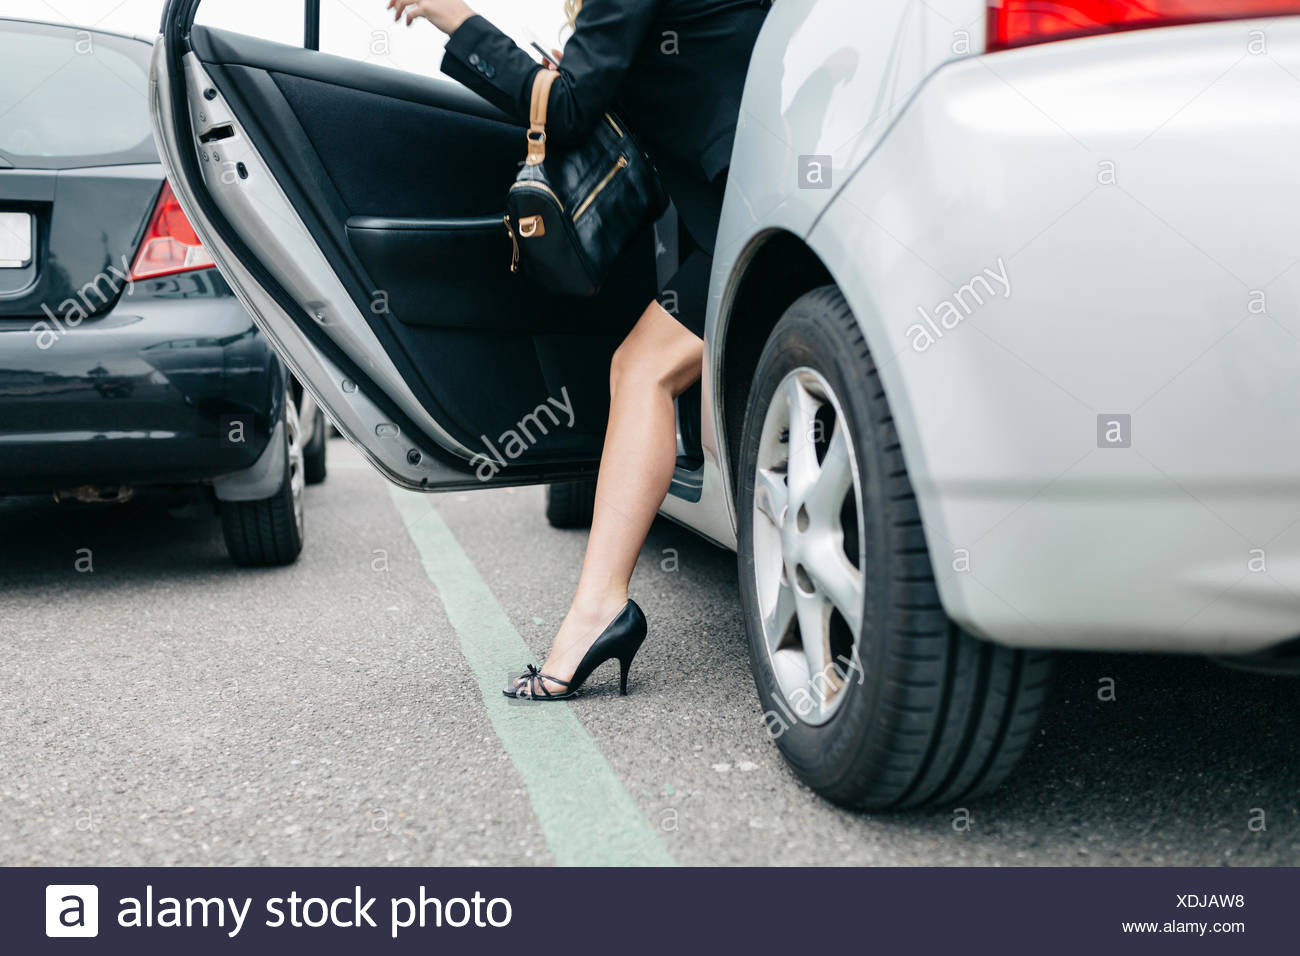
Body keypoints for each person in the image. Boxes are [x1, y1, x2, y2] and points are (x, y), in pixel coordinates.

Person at [388, 0, 769, 700]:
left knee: (644, 369)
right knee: (658, 374)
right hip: (755, 197)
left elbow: (564, 112)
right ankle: (611, 604)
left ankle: (601, 608)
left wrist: (454, 19)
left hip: (751, 206)